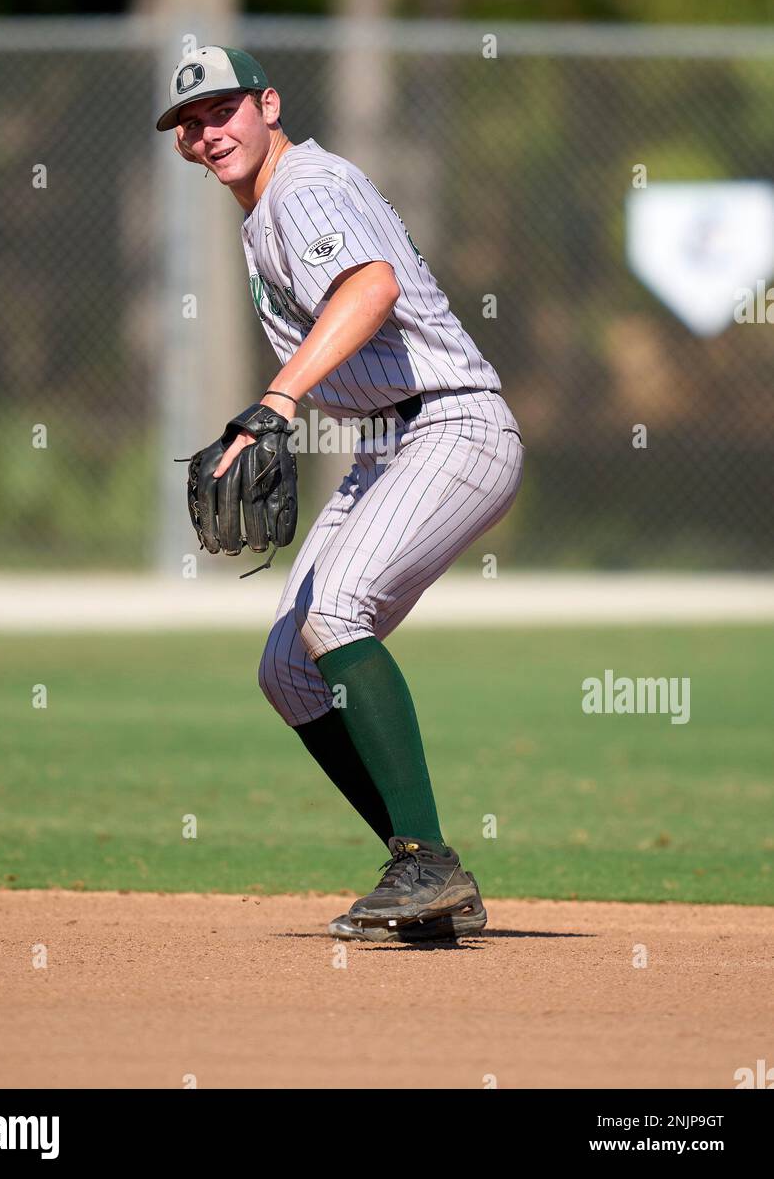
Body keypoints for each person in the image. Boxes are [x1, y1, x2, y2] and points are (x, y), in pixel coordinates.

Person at [156, 46, 525, 942]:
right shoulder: (263, 212)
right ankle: (424, 866)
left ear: (269, 105)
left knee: (338, 612)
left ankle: (429, 867)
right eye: (192, 125)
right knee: (287, 671)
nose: (210, 132)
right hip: (391, 442)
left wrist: (278, 399)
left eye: (225, 110)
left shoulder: (305, 185)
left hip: (452, 424)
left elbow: (370, 286)